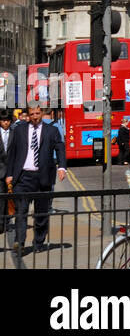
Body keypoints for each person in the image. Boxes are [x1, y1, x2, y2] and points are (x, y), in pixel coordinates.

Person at [5, 104, 67, 255]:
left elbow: (60, 147)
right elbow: (12, 152)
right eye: (32, 114)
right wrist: (9, 174)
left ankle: (38, 242)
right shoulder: (19, 129)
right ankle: (19, 243)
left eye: (37, 113)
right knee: (21, 212)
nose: (34, 117)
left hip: (43, 176)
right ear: (28, 114)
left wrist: (61, 167)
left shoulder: (51, 130)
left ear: (41, 113)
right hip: (23, 177)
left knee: (41, 214)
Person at [0, 111, 11, 238]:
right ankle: (2, 223)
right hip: (0, 172)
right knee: (2, 198)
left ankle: (8, 221)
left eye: (7, 120)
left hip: (12, 171)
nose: (5, 122)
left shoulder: (15, 132)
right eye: (3, 120)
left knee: (12, 199)